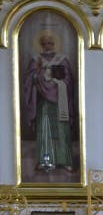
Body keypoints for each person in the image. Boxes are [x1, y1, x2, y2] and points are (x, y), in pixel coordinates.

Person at [22, 31, 76, 172]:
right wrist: (38, 74)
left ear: (54, 44)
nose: (48, 46)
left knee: (62, 129)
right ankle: (44, 160)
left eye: (50, 43)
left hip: (60, 101)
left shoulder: (62, 59)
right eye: (45, 43)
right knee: (44, 128)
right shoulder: (36, 59)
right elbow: (29, 80)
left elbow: (69, 80)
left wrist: (59, 82)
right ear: (41, 45)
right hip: (43, 102)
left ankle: (65, 160)